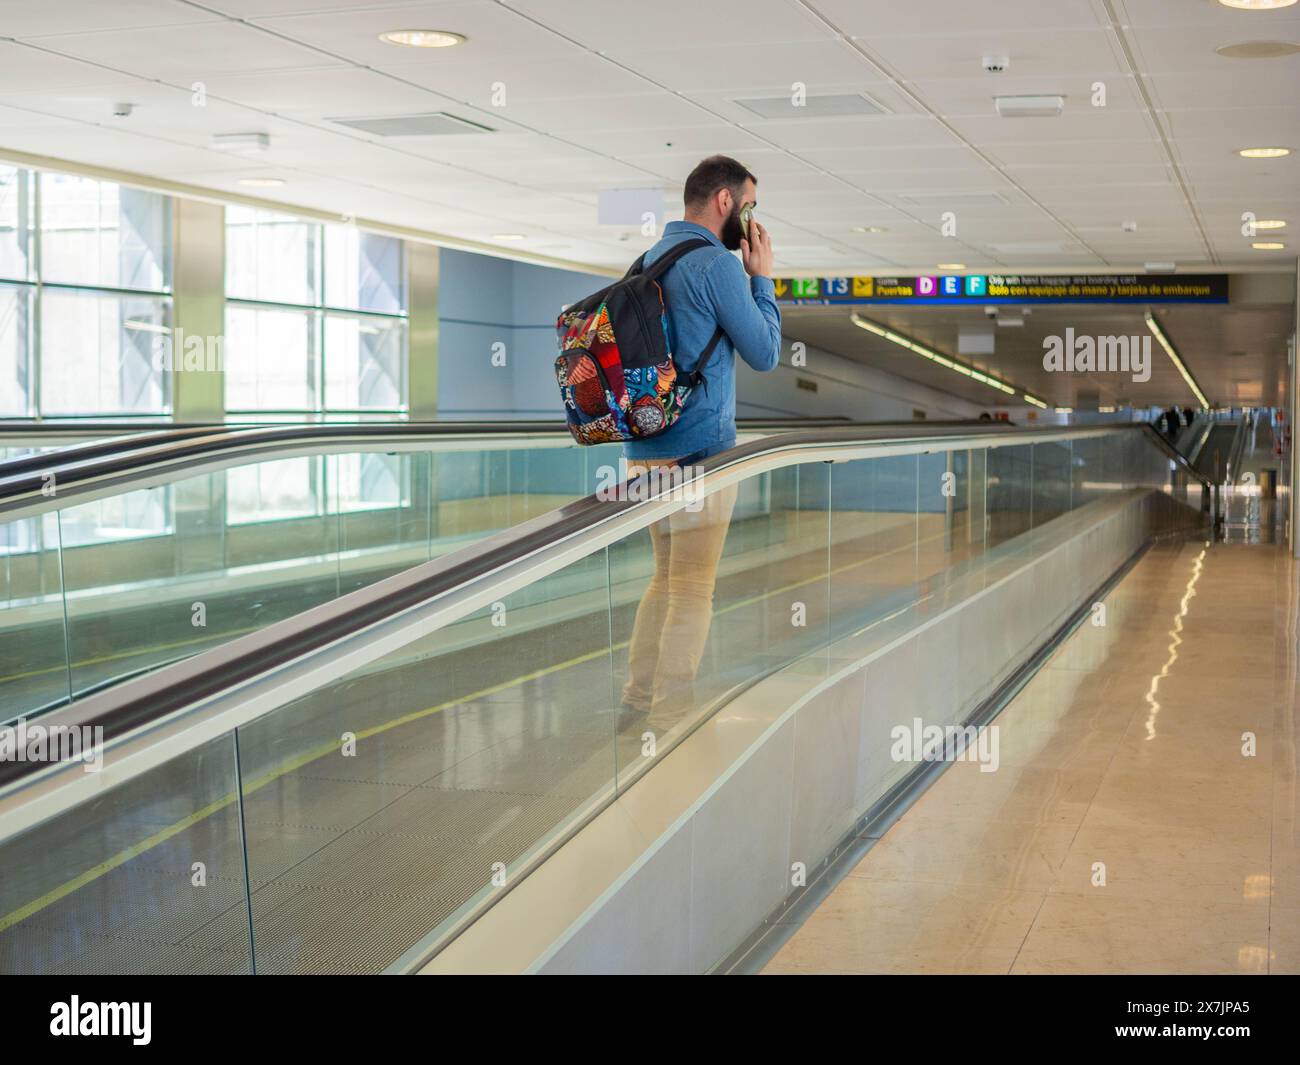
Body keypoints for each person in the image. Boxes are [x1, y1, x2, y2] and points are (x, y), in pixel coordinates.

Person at [620, 155, 782, 731]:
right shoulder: (716, 265)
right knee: (692, 586)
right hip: (700, 458)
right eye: (750, 204)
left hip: (643, 453)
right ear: (724, 202)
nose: (752, 216)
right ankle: (671, 715)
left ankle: (638, 701)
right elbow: (764, 352)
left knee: (664, 579)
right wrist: (760, 277)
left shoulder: (647, 259)